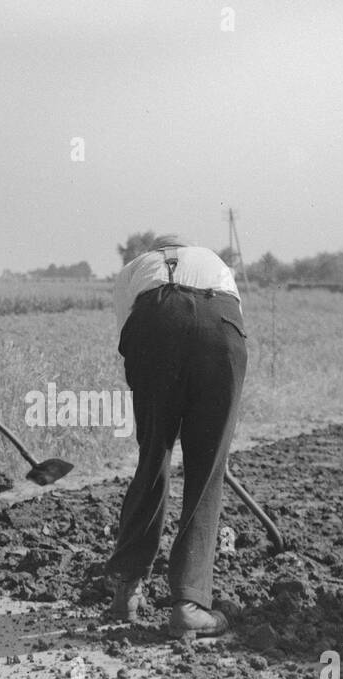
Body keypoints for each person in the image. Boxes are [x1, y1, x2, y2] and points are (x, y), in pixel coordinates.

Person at [106, 235, 247, 637]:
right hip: (221, 325)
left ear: (153, 251)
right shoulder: (214, 260)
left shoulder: (134, 269)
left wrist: (158, 417)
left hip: (153, 326)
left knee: (153, 457)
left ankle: (126, 592)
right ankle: (189, 603)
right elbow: (232, 321)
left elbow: (127, 341)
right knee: (206, 471)